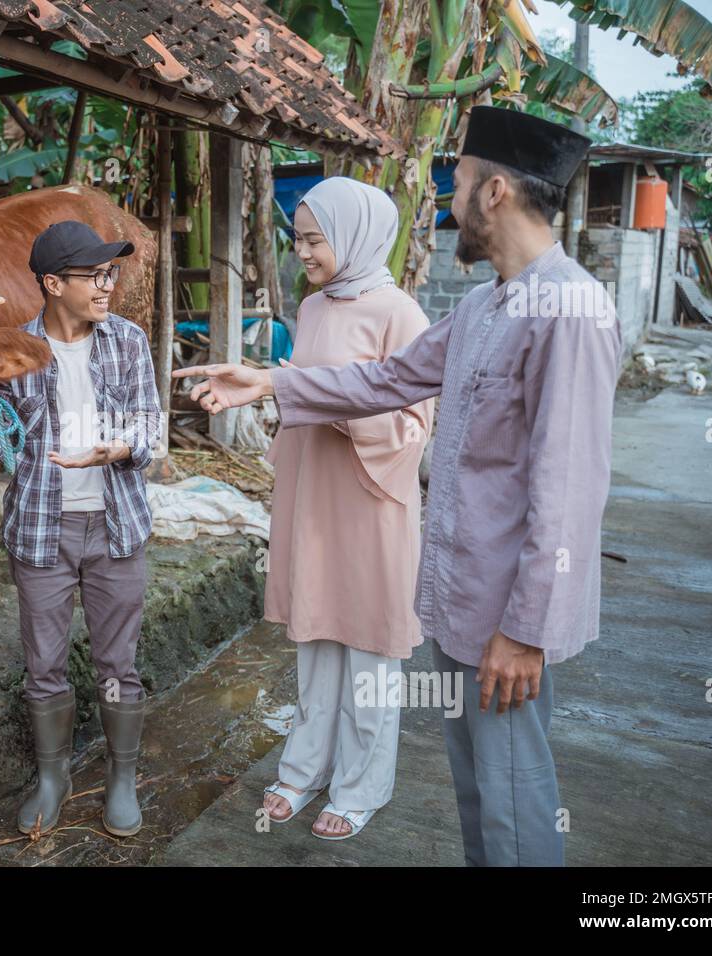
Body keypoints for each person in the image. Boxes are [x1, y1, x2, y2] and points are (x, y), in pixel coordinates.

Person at [176, 107, 620, 866]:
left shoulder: (566, 309)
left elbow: (569, 486)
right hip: (457, 595)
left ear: (496, 193)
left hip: (509, 617)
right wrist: (268, 380)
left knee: (515, 800)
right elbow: (388, 378)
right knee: (481, 792)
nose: (447, 204)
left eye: (461, 185)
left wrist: (528, 629)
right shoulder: (484, 305)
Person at [0, 220, 163, 839]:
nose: (107, 286)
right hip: (40, 531)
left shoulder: (128, 342)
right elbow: (0, 449)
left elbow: (152, 433)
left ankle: (121, 778)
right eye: (94, 276)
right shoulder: (10, 350)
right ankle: (52, 778)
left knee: (117, 663)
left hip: (114, 526)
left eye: (111, 273)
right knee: (44, 665)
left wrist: (118, 449)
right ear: (53, 284)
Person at [260, 177, 434, 840]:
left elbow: (414, 426)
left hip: (371, 502)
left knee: (368, 649)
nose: (303, 251)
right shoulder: (313, 307)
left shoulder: (400, 314)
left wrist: (346, 416)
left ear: (357, 235)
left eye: (314, 239)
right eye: (298, 238)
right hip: (314, 498)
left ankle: (361, 785)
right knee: (315, 637)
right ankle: (303, 770)